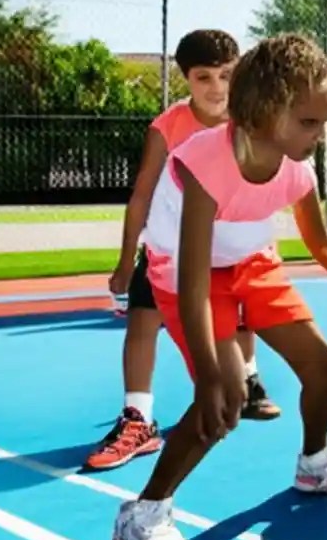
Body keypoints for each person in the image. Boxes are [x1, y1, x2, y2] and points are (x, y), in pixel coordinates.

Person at [110, 34, 327, 540]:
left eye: (324, 122)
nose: (320, 136)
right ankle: (142, 516)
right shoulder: (202, 160)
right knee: (220, 399)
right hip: (184, 273)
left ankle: (315, 463)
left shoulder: (297, 169)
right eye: (309, 123)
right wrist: (209, 372)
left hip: (252, 262)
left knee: (324, 369)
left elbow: (321, 244)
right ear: (265, 111)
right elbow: (196, 277)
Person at [89, 30, 280, 472]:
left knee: (240, 316)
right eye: (204, 78)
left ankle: (248, 381)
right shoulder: (168, 127)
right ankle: (138, 418)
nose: (216, 87)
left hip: (229, 244)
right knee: (143, 320)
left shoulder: (250, 121)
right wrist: (123, 261)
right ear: (186, 79)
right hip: (167, 246)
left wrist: (264, 243)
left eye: (226, 76)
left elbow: (263, 186)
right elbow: (141, 194)